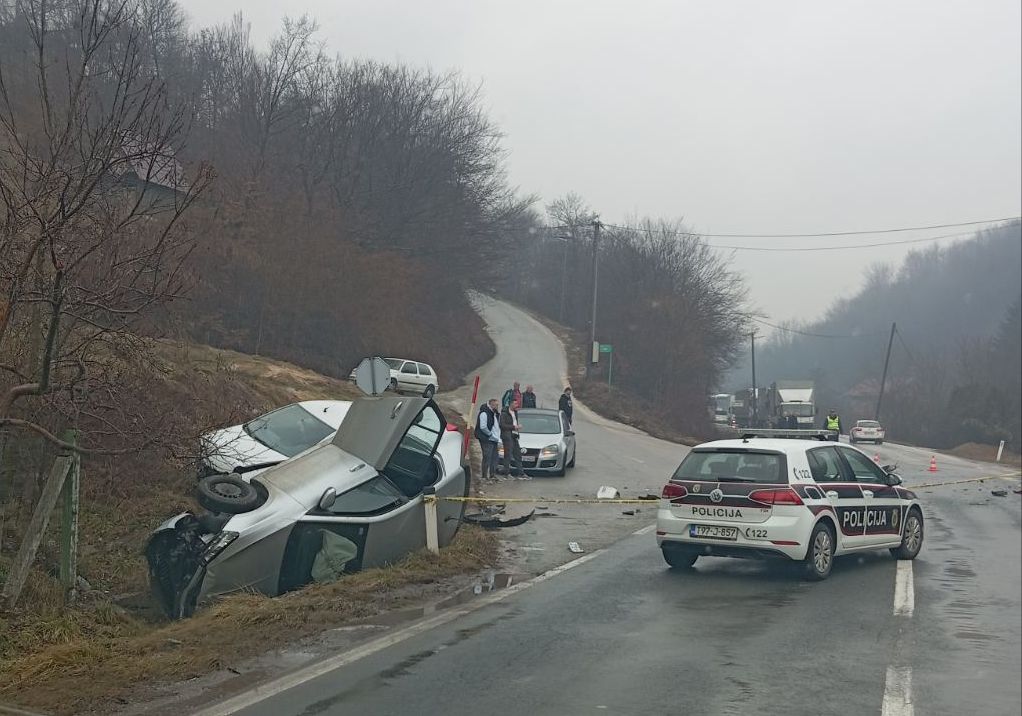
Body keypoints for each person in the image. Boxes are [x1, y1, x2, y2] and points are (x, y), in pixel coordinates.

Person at [474, 398, 500, 479]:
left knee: (494, 457)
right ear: (491, 405)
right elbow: (483, 427)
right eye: (496, 405)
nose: (497, 406)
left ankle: (492, 475)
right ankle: (484, 476)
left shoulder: (494, 413)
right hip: (486, 439)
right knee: (487, 457)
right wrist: (490, 435)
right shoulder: (484, 413)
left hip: (494, 439)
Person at [499, 400, 524, 476]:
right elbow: (502, 425)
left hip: (514, 435)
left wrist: (517, 430)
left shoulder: (515, 412)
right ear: (511, 404)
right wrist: (514, 427)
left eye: (517, 403)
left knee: (518, 454)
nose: (517, 405)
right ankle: (506, 473)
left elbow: (515, 422)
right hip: (507, 436)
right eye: (515, 403)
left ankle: (521, 473)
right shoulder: (504, 413)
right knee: (508, 454)